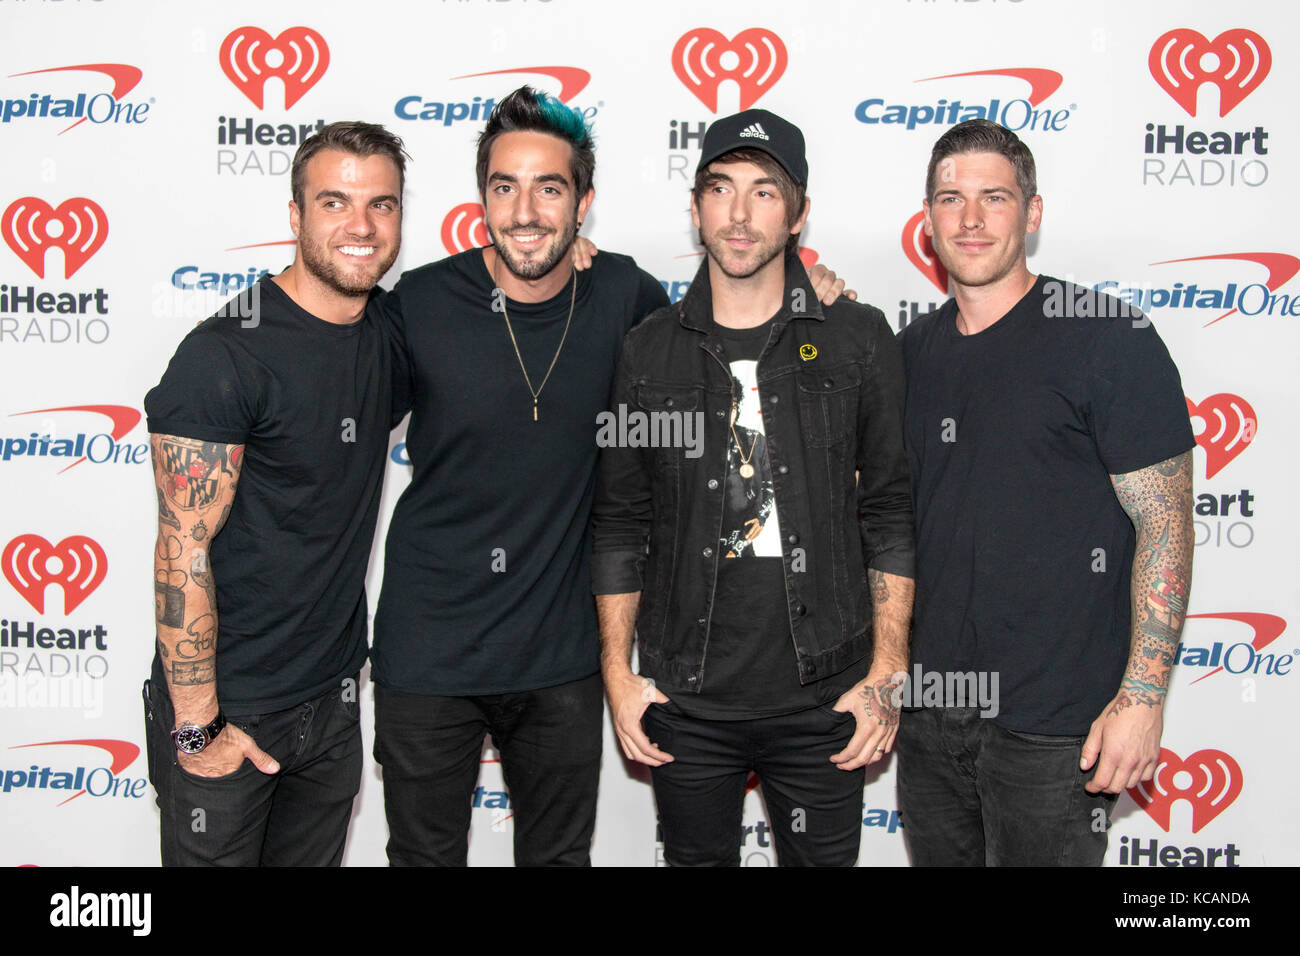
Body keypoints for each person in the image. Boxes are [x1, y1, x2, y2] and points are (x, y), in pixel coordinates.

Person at [370, 87, 851, 867]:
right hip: (428, 657)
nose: (526, 210)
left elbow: (732, 318)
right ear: (481, 199)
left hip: (560, 658)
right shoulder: (419, 303)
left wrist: (811, 288)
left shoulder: (624, 296)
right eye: (505, 186)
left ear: (582, 203)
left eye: (549, 188)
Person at [590, 108, 916, 867]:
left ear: (799, 213)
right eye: (721, 189)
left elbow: (890, 513)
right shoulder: (647, 351)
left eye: (765, 192)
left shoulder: (857, 339)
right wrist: (617, 673)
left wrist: (888, 671)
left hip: (826, 696)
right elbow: (618, 525)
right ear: (696, 206)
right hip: (686, 696)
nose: (739, 215)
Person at [896, 118, 1195, 866]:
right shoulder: (907, 356)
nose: (970, 219)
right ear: (927, 220)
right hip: (932, 721)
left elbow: (1166, 525)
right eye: (950, 199)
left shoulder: (1107, 338)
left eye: (993, 198)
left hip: (1059, 730)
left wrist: (1143, 697)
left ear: (1032, 214)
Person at [143, 122, 407, 866]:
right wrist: (198, 730)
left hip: (330, 707)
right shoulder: (224, 356)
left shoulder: (388, 328)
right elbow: (180, 550)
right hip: (229, 710)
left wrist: (567, 252)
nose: (360, 226)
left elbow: (493, 289)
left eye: (381, 206)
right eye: (335, 202)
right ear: (295, 216)